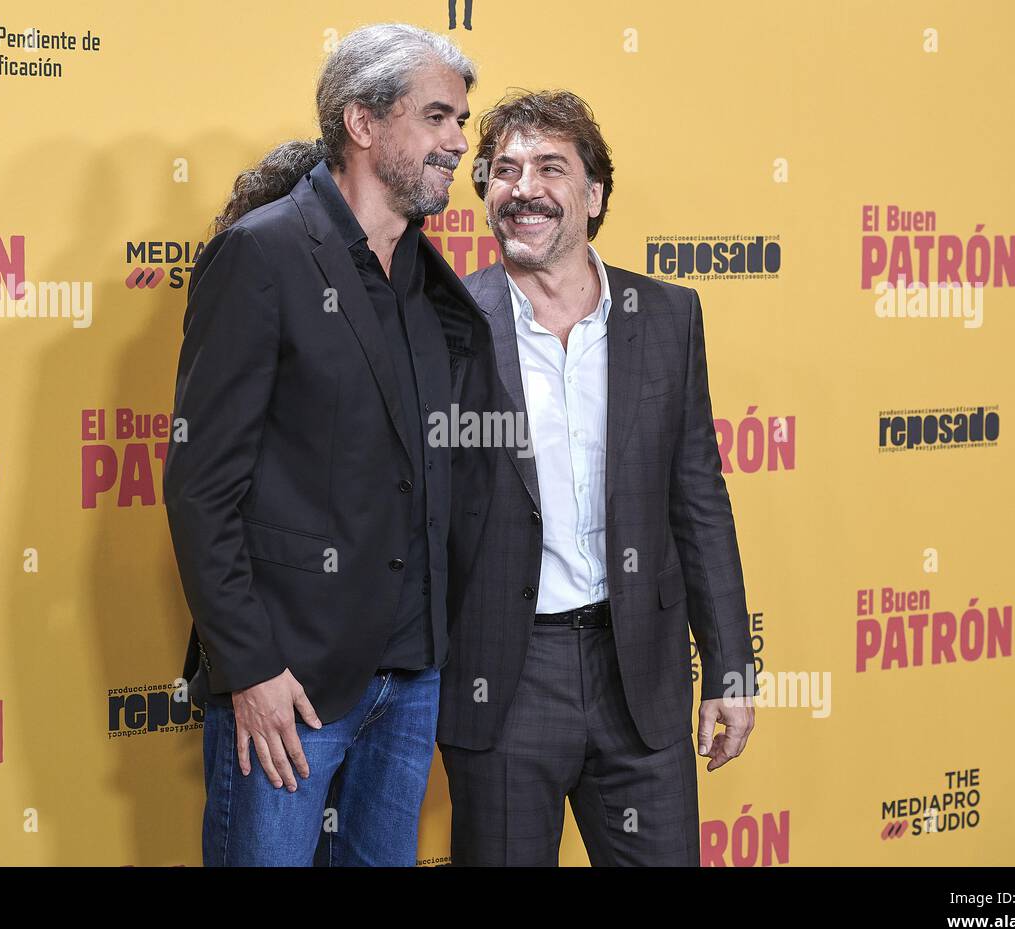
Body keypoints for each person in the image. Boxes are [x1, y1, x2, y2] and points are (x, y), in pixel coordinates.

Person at [163, 23, 496, 867]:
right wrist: (251, 669)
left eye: (461, 120)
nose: (460, 142)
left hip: (412, 681)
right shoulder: (263, 254)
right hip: (293, 683)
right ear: (362, 122)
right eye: (438, 117)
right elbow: (201, 487)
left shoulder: (430, 279)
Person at [438, 89, 758, 866]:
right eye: (503, 169)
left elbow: (698, 501)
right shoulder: (445, 319)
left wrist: (730, 666)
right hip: (504, 682)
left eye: (551, 166)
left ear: (595, 193)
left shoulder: (669, 316)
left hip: (638, 675)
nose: (524, 188)